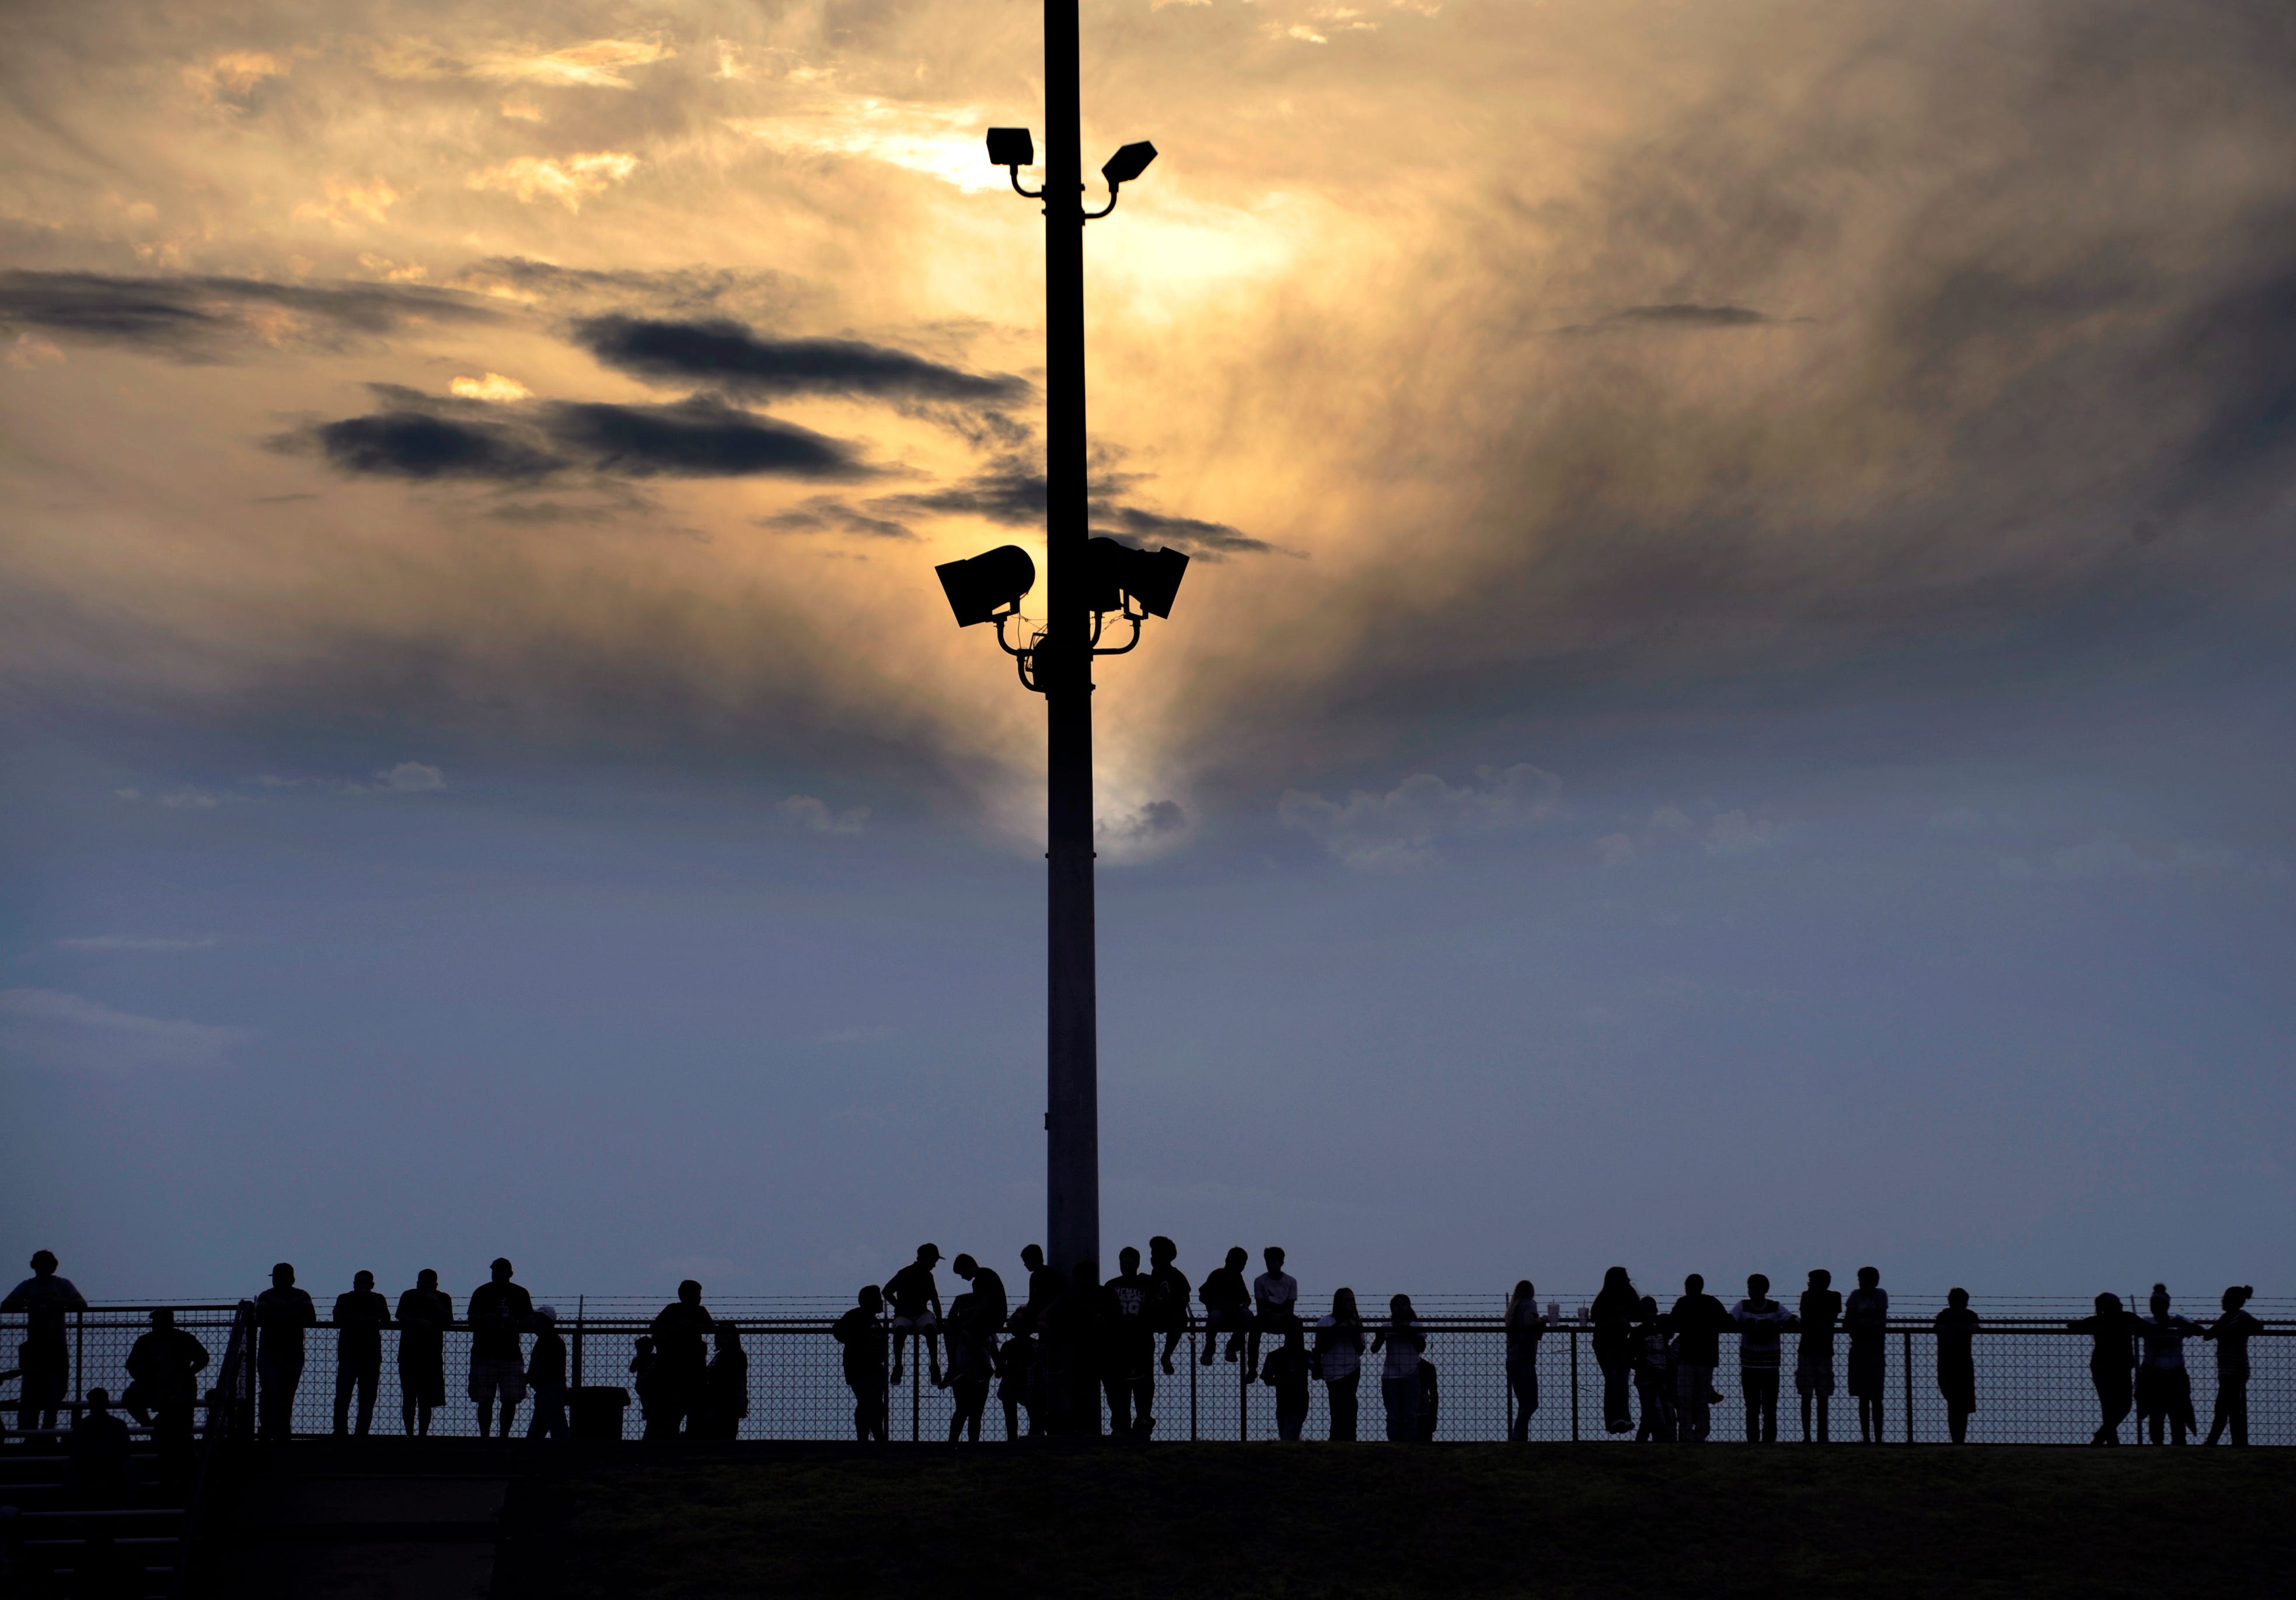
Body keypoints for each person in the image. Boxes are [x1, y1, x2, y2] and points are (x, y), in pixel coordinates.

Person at [3, 1250, 87, 1432]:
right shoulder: (28, 1286)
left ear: (52, 1267)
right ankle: (30, 1432)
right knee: (31, 1391)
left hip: (56, 1345)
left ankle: (47, 1430)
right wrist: (29, 1303)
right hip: (36, 1346)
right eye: (39, 1266)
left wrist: (59, 1303)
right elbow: (7, 1304)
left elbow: (81, 1304)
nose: (42, 1270)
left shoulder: (62, 1284)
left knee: (55, 1390)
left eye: (45, 1266)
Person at [124, 1308, 208, 1484]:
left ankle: (180, 1458)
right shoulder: (147, 1341)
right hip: (154, 1386)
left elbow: (203, 1358)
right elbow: (132, 1366)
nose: (157, 1325)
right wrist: (150, 1381)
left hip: (179, 1388)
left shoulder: (183, 1339)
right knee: (131, 1396)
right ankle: (150, 1426)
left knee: (179, 1424)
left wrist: (185, 1375)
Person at [468, 1257, 535, 1439]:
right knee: (486, 1399)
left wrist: (516, 1322)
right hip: (486, 1353)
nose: (497, 1274)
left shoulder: (519, 1293)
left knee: (509, 1399)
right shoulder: (482, 1292)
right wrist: (485, 1320)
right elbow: (472, 1319)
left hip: (508, 1354)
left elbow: (529, 1321)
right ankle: (486, 1436)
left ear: (509, 1274)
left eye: (500, 1270)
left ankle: (502, 1436)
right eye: (495, 1270)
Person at [2067, 1292, 2143, 1445]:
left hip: (2106, 1368)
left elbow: (2075, 1325)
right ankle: (2109, 1440)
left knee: (2114, 1407)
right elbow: (2145, 1327)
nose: (2121, 1305)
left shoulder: (2100, 1321)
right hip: (2113, 1369)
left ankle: (2104, 1437)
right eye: (2117, 1303)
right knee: (2119, 1406)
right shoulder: (2124, 1319)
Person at [254, 1262, 318, 1442]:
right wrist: (293, 1319)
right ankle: (272, 1428)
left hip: (286, 1351)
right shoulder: (297, 1297)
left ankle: (278, 1428)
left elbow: (310, 1319)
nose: (277, 1281)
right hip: (279, 1351)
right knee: (271, 1390)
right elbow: (261, 1317)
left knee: (284, 1392)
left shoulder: (269, 1297)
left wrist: (278, 1319)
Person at [2134, 1284, 2204, 1445]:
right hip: (2156, 1375)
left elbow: (2199, 1330)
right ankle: (2158, 1443)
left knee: (2177, 1414)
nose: (2153, 1308)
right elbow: (2138, 1329)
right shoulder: (2147, 1322)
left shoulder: (2178, 1320)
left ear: (2165, 1306)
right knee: (2156, 1414)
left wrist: (2184, 1325)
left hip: (2174, 1375)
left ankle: (2178, 1443)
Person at [1668, 1274, 1731, 1444]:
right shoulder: (1711, 1303)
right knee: (1699, 1399)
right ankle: (1699, 1434)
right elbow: (1727, 1321)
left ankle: (1688, 1434)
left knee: (1686, 1398)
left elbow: (1672, 1322)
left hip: (1690, 1358)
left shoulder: (1683, 1304)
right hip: (1705, 1358)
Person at [648, 1280, 716, 1437]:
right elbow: (655, 1327)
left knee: (696, 1414)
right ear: (686, 1295)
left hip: (694, 1371)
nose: (700, 1298)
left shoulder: (700, 1311)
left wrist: (691, 1326)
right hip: (674, 1372)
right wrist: (676, 1326)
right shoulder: (673, 1310)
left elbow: (712, 1328)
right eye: (697, 1294)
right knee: (672, 1414)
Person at [1732, 1275, 1795, 1444]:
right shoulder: (1747, 1306)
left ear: (1764, 1290)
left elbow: (1793, 1320)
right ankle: (1755, 1441)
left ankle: (1767, 1441)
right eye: (1750, 1288)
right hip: (1753, 1365)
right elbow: (1730, 1321)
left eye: (1755, 1288)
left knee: (1768, 1408)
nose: (1752, 1291)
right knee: (1753, 1408)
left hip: (1767, 1366)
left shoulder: (1771, 1307)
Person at [1100, 1247, 1156, 1436]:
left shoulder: (1147, 1284)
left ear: (1138, 1264)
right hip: (1117, 1345)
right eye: (1123, 1264)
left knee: (1143, 1387)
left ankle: (1142, 1421)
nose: (1126, 1268)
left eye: (1130, 1264)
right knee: (1118, 1389)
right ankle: (1121, 1424)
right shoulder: (1111, 1286)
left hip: (1141, 1344)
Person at [331, 1270, 390, 1437]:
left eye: (365, 1284)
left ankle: (361, 1433)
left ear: (372, 1285)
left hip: (371, 1356)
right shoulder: (345, 1298)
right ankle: (341, 1431)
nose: (361, 1287)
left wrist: (371, 1301)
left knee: (368, 1398)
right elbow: (338, 1318)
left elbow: (386, 1319)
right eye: (358, 1283)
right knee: (343, 1396)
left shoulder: (378, 1299)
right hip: (349, 1354)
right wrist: (368, 1320)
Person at [395, 1270, 453, 1437]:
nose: (424, 1287)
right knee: (409, 1396)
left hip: (431, 1355)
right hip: (409, 1354)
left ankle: (422, 1435)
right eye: (421, 1283)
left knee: (426, 1400)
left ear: (435, 1285)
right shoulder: (409, 1296)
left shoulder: (443, 1298)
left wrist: (435, 1302)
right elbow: (401, 1316)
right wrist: (419, 1323)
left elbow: (449, 1320)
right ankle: (410, 1434)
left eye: (428, 1284)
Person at [2201, 1286, 2262, 1446]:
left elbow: (2258, 1326)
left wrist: (2233, 1330)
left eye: (2225, 1298)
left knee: (2223, 1406)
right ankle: (2238, 1441)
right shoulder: (2224, 1318)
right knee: (2232, 1407)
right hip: (2226, 1371)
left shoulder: (2241, 1317)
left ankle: (2213, 1441)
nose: (2222, 1300)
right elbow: (2208, 1336)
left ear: (2233, 1301)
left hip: (2236, 1370)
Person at [831, 1285, 889, 1442]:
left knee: (874, 1402)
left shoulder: (873, 1320)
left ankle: (871, 1436)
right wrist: (859, 1344)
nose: (881, 1302)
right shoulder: (857, 1316)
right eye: (878, 1299)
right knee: (868, 1401)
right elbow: (838, 1331)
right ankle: (872, 1436)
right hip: (860, 1368)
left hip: (873, 1367)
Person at [885, 1245, 944, 1389]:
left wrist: (939, 1321)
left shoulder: (926, 1276)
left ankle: (934, 1365)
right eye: (933, 1261)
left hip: (920, 1313)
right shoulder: (905, 1273)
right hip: (905, 1314)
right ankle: (898, 1365)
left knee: (929, 1328)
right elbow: (886, 1291)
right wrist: (899, 1307)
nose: (935, 1265)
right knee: (900, 1329)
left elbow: (935, 1299)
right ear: (926, 1260)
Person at [1590, 1266, 1640, 1435]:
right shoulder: (1607, 1298)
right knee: (1614, 1379)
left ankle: (1622, 1418)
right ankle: (1614, 1419)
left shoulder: (1616, 1296)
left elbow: (1637, 1312)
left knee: (1620, 1381)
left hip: (1618, 1343)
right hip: (1607, 1343)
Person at [67, 1388, 134, 1509]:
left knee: (130, 1467)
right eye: (95, 1402)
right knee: (71, 1468)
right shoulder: (118, 1425)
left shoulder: (83, 1426)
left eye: (98, 1402)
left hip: (109, 1467)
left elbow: (125, 1450)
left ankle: (74, 1511)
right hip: (92, 1467)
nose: (96, 1405)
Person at [1843, 1267, 1889, 1443]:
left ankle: (1877, 1438)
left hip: (1873, 1351)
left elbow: (1880, 1322)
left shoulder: (1880, 1295)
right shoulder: (1855, 1295)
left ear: (1874, 1282)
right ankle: (1867, 1438)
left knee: (1876, 1397)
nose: (1861, 1284)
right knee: (1863, 1397)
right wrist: (1868, 1325)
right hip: (1861, 1351)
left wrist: (1860, 1325)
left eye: (1864, 1280)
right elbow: (1848, 1323)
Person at [1795, 1269, 1842, 1443]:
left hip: (1812, 1348)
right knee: (1818, 1395)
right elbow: (1826, 1319)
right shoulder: (1832, 1297)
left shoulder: (1808, 1297)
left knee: (1812, 1395)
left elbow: (1809, 1319)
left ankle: (1812, 1435)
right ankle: (1819, 1436)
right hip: (1819, 1349)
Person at [1370, 1294, 1425, 1442]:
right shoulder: (1386, 1328)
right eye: (1397, 1305)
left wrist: (1408, 1332)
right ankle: (1395, 1444)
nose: (1400, 1308)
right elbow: (1374, 1348)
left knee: (1410, 1414)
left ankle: (1409, 1445)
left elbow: (1422, 1347)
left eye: (1403, 1305)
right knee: (1394, 1415)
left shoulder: (1416, 1326)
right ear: (1392, 1308)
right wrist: (1381, 1336)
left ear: (1408, 1307)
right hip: (1391, 1376)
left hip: (1410, 1373)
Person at [1314, 1287, 1366, 1441]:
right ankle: (1336, 1439)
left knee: (1350, 1406)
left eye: (1352, 1300)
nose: (1350, 1303)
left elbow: (1361, 1349)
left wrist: (1352, 1332)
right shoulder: (1326, 1322)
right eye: (1346, 1300)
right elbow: (1321, 1347)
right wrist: (1337, 1331)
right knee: (1337, 1408)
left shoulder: (1356, 1323)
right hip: (1333, 1370)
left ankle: (1350, 1438)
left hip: (1352, 1368)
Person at [944, 1292, 995, 1443]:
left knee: (976, 1412)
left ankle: (972, 1443)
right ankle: (953, 1442)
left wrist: (997, 1366)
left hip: (981, 1373)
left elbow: (993, 1348)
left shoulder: (985, 1329)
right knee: (963, 1409)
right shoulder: (957, 1328)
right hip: (965, 1372)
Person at [1933, 1289, 1979, 1444]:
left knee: (1961, 1405)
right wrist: (1961, 1330)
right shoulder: (1945, 1316)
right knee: (1954, 1403)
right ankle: (1957, 1440)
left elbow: (1973, 1327)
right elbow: (1941, 1329)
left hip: (1961, 1365)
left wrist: (1953, 1330)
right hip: (1950, 1365)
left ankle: (1959, 1440)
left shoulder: (1967, 1316)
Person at [1248, 1247, 1299, 1379]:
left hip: (1285, 1317)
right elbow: (1260, 1307)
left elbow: (1290, 1307)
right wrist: (1271, 1315)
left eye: (1275, 1262)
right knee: (1255, 1324)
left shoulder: (1291, 1282)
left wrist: (1280, 1316)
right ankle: (1252, 1367)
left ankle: (1292, 1360)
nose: (1272, 1265)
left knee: (1297, 1324)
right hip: (1267, 1316)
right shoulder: (1259, 1281)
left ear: (1282, 1263)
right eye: (1269, 1262)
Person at [1504, 1281, 1545, 1441]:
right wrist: (1543, 1320)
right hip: (1525, 1358)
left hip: (1512, 1359)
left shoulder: (1512, 1309)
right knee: (1532, 1402)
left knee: (1523, 1402)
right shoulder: (1529, 1304)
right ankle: (1517, 1433)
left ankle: (1522, 1438)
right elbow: (1530, 1322)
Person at [1198, 1248, 1252, 1367]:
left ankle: (1233, 1346)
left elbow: (1246, 1297)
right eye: (1240, 1262)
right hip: (1219, 1313)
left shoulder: (1238, 1278)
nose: (1242, 1266)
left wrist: (1245, 1305)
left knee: (1248, 1316)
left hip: (1234, 1313)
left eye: (1244, 1263)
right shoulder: (1217, 1275)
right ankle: (1210, 1347)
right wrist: (1216, 1305)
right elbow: (1203, 1296)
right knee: (1215, 1316)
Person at [1146, 1238, 1192, 1375]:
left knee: (1181, 1319)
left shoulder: (1177, 1277)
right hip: (1154, 1316)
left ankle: (1166, 1355)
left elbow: (1184, 1300)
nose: (1152, 1258)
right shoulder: (1151, 1277)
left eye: (1155, 1255)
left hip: (1171, 1316)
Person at [1633, 1295, 1675, 1442]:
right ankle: (1655, 1442)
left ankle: (1648, 1442)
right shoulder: (1640, 1332)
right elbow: (1631, 1355)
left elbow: (1671, 1326)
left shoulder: (1659, 1328)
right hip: (1648, 1379)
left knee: (1653, 1414)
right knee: (1653, 1414)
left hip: (1658, 1378)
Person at [699, 1321, 749, 1441]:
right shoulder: (720, 1355)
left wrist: (739, 1402)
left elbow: (740, 1379)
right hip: (715, 1404)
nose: (725, 1336)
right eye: (722, 1333)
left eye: (729, 1332)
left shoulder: (736, 1355)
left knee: (723, 1439)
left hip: (727, 1404)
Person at [1262, 1323, 1313, 1441]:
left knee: (1287, 1433)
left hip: (1287, 1401)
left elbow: (1267, 1379)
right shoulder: (1305, 1355)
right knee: (1289, 1434)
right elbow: (1318, 1373)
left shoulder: (1275, 1356)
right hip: (1295, 1400)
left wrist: (1281, 1380)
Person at [526, 1306, 570, 1441]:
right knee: (541, 1428)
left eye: (537, 1319)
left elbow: (540, 1366)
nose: (534, 1322)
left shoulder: (548, 1340)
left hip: (549, 1389)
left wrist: (528, 1378)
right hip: (548, 1389)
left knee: (557, 1428)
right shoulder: (551, 1339)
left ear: (546, 1321)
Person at [996, 1325, 1041, 1439]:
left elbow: (999, 1372)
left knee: (1011, 1417)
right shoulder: (1035, 1345)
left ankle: (1013, 1440)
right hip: (1029, 1383)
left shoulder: (1008, 1345)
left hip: (1011, 1382)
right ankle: (1033, 1440)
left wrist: (1005, 1369)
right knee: (1034, 1416)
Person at [951, 1254, 1008, 1335]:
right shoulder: (985, 1275)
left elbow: (983, 1303)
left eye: (962, 1273)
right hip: (993, 1317)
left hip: (993, 1318)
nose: (962, 1277)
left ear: (966, 1267)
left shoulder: (984, 1276)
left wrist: (968, 1321)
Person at [628, 1335, 661, 1432]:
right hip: (645, 1385)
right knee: (645, 1398)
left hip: (648, 1385)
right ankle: (647, 1410)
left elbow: (632, 1370)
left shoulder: (652, 1358)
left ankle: (647, 1411)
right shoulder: (642, 1359)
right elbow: (632, 1369)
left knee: (647, 1398)